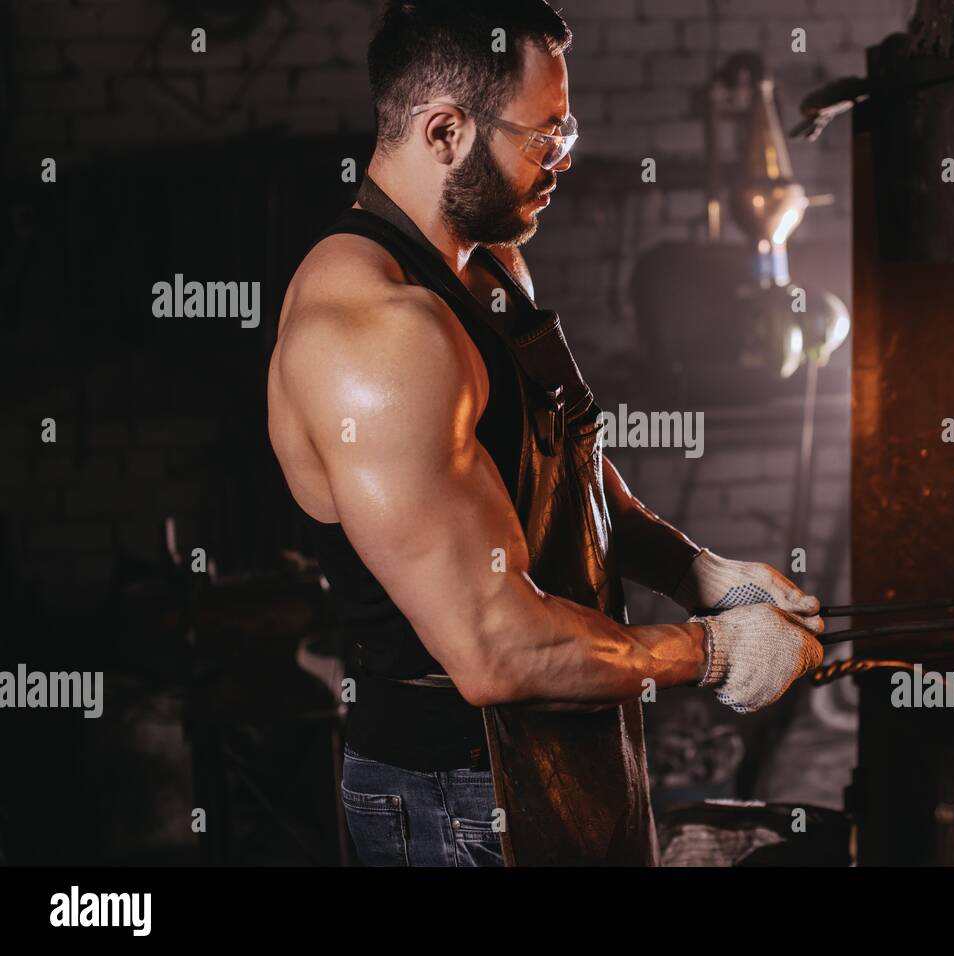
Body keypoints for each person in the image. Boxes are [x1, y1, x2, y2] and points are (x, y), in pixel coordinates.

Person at [266, 0, 824, 867]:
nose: (563, 160)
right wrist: (712, 652)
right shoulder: (373, 335)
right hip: (457, 795)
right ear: (445, 131)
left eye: (567, 131)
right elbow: (496, 649)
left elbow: (563, 458)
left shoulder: (488, 264)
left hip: (572, 741)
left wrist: (694, 572)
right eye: (545, 136)